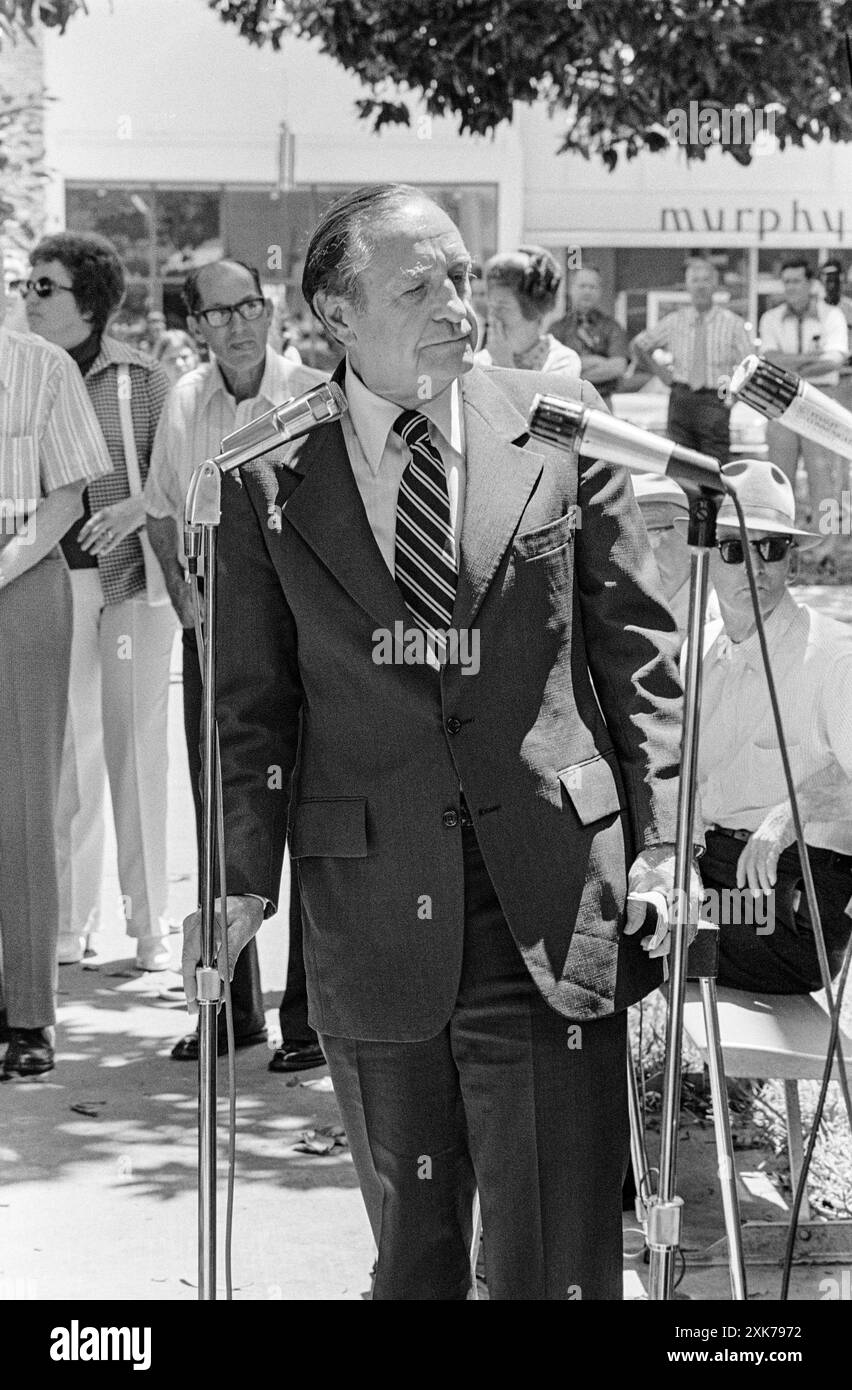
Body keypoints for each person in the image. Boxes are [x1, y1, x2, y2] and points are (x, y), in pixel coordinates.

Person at [181, 184, 699, 1300]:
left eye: (461, 278)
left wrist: (662, 840)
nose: (457, 305)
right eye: (419, 286)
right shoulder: (262, 475)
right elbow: (250, 706)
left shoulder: (560, 421)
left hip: (553, 888)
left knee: (557, 1255)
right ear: (334, 310)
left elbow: (639, 656)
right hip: (369, 902)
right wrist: (235, 883)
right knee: (414, 1252)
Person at [145, 258, 328, 1066]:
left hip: (311, 637)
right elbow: (160, 510)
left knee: (319, 818)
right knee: (223, 812)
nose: (238, 323)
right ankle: (231, 1010)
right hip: (219, 632)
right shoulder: (187, 401)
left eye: (249, 305)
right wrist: (188, 607)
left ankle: (310, 1023)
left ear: (271, 307)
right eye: (218, 313)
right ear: (198, 327)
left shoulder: (318, 391)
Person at [26, 232, 178, 972]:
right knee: (68, 755)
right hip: (54, 582)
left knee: (136, 751)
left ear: (87, 301)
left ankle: (150, 929)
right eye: (27, 284)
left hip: (132, 587)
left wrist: (135, 506)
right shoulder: (25, 378)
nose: (29, 295)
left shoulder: (143, 379)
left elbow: (180, 475)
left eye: (44, 286)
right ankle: (67, 925)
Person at [0, 300, 113, 1076]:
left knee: (23, 803)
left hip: (21, 591)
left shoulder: (43, 365)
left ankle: (28, 1017)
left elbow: (68, 499)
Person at [695, 458, 852, 992]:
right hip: (712, 871)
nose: (756, 569)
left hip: (791, 903)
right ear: (708, 559)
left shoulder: (834, 657)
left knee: (621, 939)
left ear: (792, 561)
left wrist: (793, 813)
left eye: (773, 548)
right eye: (736, 549)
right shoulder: (700, 652)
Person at [758, 258, 849, 576]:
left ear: (811, 284)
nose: (791, 287)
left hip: (822, 405)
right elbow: (769, 359)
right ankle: (780, 552)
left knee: (829, 485)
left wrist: (791, 365)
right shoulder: (770, 318)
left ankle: (827, 556)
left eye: (797, 281)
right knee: (778, 483)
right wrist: (811, 359)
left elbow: (836, 359)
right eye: (787, 282)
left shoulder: (832, 315)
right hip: (781, 404)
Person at [630, 256, 752, 462]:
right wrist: (661, 373)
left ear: (715, 284)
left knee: (715, 468)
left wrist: (734, 398)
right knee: (680, 466)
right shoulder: (674, 321)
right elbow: (639, 345)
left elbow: (749, 367)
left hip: (716, 399)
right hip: (681, 398)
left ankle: (713, 495)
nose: (700, 286)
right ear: (687, 285)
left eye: (706, 280)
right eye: (695, 280)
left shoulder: (733, 324)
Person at [632, 473, 720, 642]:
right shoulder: (617, 615)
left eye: (654, 530)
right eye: (630, 536)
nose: (645, 548)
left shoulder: (721, 614)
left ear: (688, 535)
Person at [477, 246, 581, 374]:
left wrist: (504, 364)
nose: (493, 316)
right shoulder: (479, 362)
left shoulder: (562, 361)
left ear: (532, 310)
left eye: (502, 306)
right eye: (491, 306)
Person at [550, 266, 629, 402]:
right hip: (566, 401)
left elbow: (618, 367)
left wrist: (573, 369)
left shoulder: (612, 327)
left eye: (593, 287)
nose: (587, 291)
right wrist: (598, 361)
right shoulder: (557, 329)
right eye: (582, 286)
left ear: (600, 292)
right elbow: (551, 369)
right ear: (571, 289)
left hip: (602, 401)